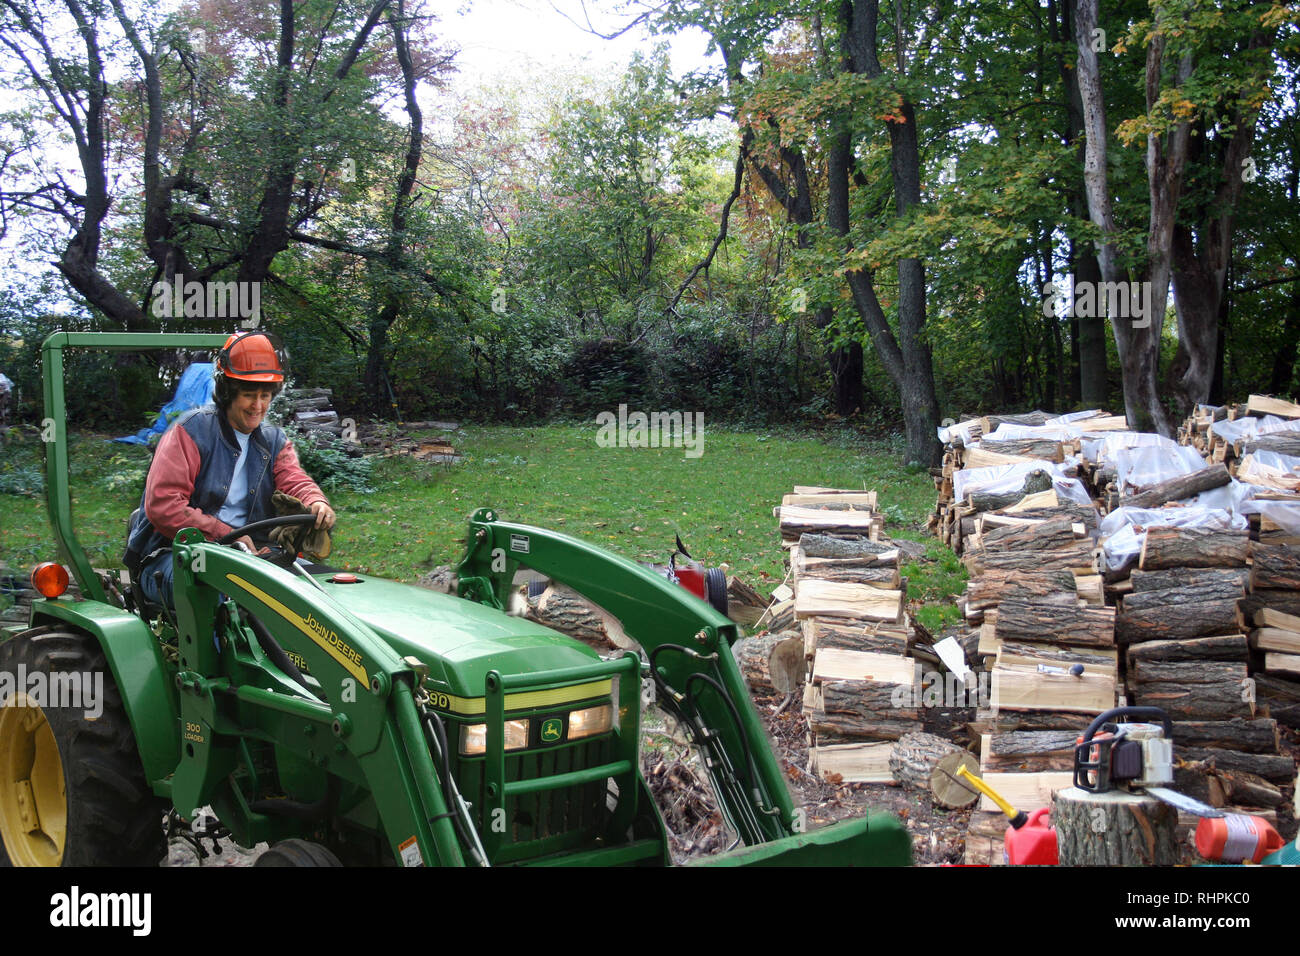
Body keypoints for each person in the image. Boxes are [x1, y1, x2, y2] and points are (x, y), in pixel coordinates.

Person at [124, 331, 335, 606]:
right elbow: (164, 505)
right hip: (177, 555)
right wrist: (225, 535)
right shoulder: (189, 432)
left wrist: (315, 501)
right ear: (227, 392)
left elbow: (294, 480)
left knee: (326, 593)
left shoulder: (273, 441)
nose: (258, 406)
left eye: (265, 395)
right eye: (249, 395)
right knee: (225, 596)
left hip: (253, 557)